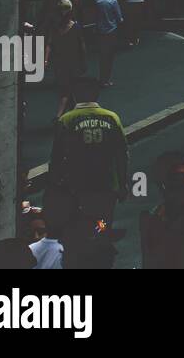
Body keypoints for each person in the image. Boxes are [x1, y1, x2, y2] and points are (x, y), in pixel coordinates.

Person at [46, 77, 128, 244]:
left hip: (76, 184)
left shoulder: (67, 120)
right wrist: (123, 182)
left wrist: (55, 183)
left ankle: (83, 245)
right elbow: (122, 154)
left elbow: (56, 157)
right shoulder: (112, 118)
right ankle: (100, 238)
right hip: (105, 183)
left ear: (75, 95)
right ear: (97, 94)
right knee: (104, 218)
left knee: (78, 219)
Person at [49, 0, 88, 121]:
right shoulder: (76, 27)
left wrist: (46, 60)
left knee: (65, 88)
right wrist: (84, 62)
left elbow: (50, 44)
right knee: (70, 88)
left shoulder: (55, 27)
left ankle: (70, 114)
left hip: (59, 62)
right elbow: (82, 46)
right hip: (73, 61)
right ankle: (60, 115)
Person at [92, 0, 124, 88]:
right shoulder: (113, 1)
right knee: (109, 57)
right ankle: (106, 80)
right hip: (111, 31)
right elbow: (119, 18)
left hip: (100, 31)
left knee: (102, 56)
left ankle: (101, 77)